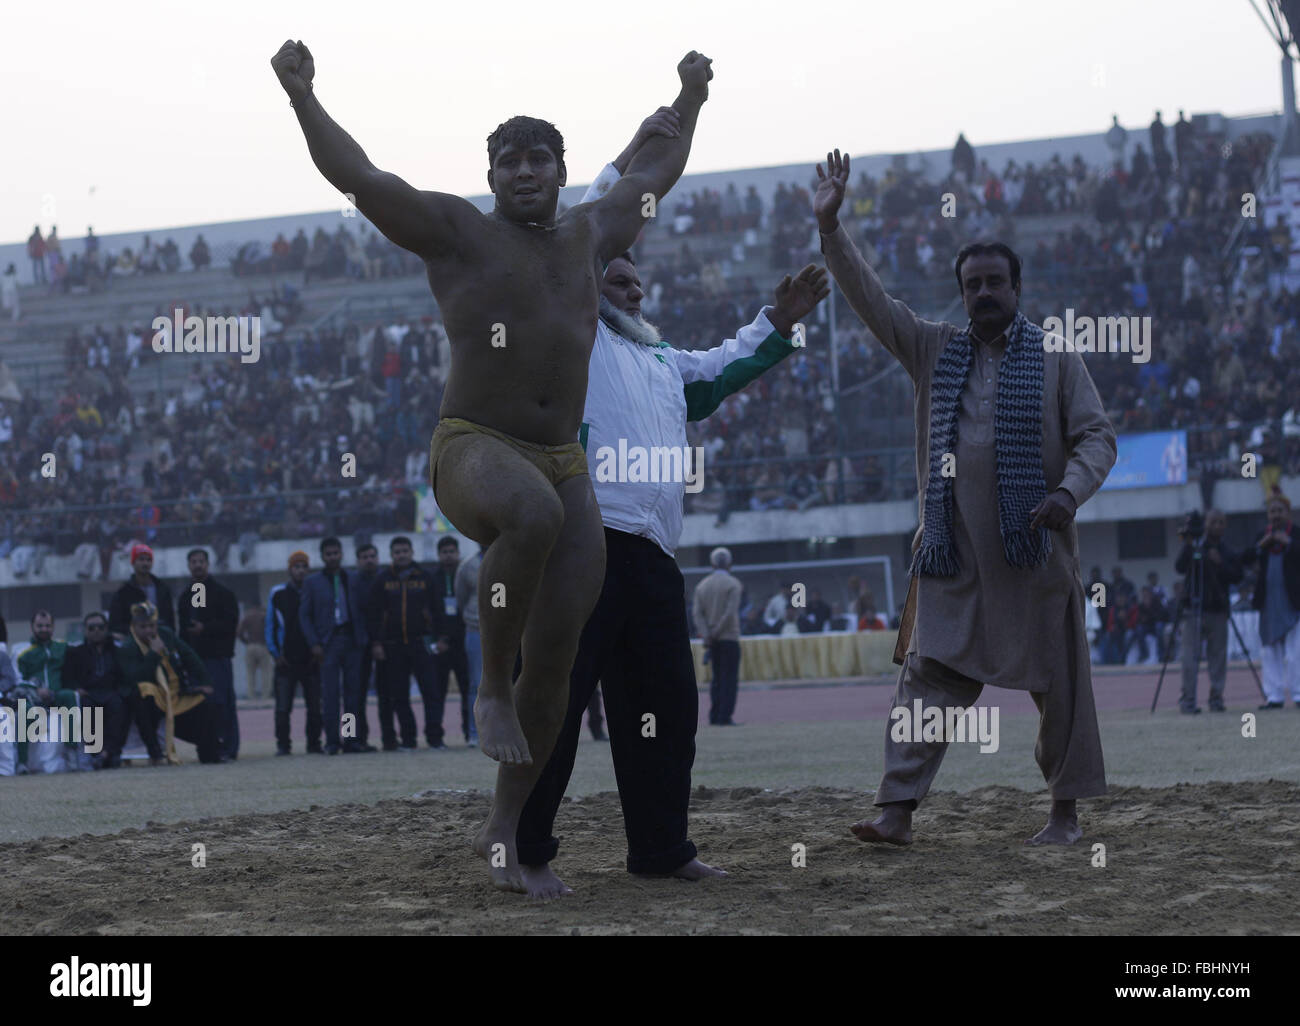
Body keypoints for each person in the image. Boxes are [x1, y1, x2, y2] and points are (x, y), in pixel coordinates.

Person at [271, 39, 713, 893]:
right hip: (473, 444)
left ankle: (507, 837)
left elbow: (657, 174)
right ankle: (486, 691)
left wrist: (689, 96)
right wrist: (303, 98)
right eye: (507, 159)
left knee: (554, 665)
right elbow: (360, 179)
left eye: (537, 158)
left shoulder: (590, 236)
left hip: (562, 461)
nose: (522, 171)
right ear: (491, 173)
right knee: (533, 521)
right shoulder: (458, 233)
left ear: (558, 169)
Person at [516, 122, 820, 894]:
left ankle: (659, 849)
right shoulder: (574, 329)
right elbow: (581, 229)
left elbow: (722, 367)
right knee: (555, 700)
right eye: (619, 281)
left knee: (666, 709)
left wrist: (777, 323)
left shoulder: (660, 362)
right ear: (589, 285)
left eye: (638, 284)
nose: (636, 289)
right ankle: (525, 852)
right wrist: (628, 154)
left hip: (653, 554)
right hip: (583, 543)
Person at [815, 149, 1115, 846]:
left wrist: (1068, 494)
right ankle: (895, 812)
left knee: (1062, 690)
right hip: (952, 562)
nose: (983, 292)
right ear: (960, 292)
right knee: (924, 681)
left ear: (1017, 289)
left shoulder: (1056, 357)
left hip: (1035, 558)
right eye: (973, 283)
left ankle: (1064, 816)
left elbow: (1098, 438)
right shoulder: (933, 349)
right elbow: (870, 300)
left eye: (995, 283)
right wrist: (832, 230)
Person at [115, 602, 221, 765]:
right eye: (143, 627)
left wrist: (204, 681)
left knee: (207, 703)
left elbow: (189, 656)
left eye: (152, 626)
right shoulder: (128, 646)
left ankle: (210, 753)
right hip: (152, 698)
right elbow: (135, 676)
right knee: (143, 692)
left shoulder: (166, 635)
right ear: (134, 627)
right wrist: (154, 654)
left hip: (175, 693)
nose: (149, 631)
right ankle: (155, 752)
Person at [298, 537, 370, 754]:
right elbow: (304, 616)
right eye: (328, 554)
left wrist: (363, 638)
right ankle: (331, 741)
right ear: (322, 556)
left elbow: (365, 609)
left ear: (341, 554)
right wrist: (314, 643)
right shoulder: (312, 582)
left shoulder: (354, 578)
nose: (332, 557)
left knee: (352, 695)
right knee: (330, 695)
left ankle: (351, 740)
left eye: (336, 553)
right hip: (327, 643)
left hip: (352, 641)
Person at [366, 536, 438, 750]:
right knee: (399, 696)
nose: (401, 555)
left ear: (412, 552)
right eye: (397, 552)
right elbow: (374, 615)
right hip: (393, 645)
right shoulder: (382, 580)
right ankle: (408, 739)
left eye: (405, 551)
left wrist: (441, 638)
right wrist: (376, 643)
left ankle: (435, 738)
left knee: (431, 693)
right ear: (391, 555)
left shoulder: (425, 577)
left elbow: (437, 610)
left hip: (421, 643)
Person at [1173, 509, 1242, 713]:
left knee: (1218, 658)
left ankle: (1216, 699)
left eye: (1221, 522)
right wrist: (1189, 543)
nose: (1217, 526)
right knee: (1189, 657)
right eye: (1213, 522)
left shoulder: (1227, 551)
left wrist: (1219, 563)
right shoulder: (1194, 546)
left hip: (1218, 611)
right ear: (1205, 524)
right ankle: (1188, 701)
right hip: (1193, 610)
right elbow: (1179, 567)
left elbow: (1237, 576)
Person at [177, 548, 241, 760]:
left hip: (217, 658)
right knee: (201, 706)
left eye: (201, 561)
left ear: (208, 564)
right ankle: (208, 747)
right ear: (188, 566)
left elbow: (230, 624)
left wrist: (205, 629)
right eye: (193, 561)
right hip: (195, 662)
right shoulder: (186, 597)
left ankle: (228, 747)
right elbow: (183, 632)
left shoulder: (223, 594)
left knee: (223, 703)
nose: (197, 565)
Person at [267, 551, 322, 754]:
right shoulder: (277, 593)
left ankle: (314, 744)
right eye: (296, 567)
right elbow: (270, 625)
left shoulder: (315, 590)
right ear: (290, 570)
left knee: (315, 707)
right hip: (286, 660)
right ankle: (283, 745)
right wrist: (275, 653)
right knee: (282, 709)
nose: (300, 571)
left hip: (311, 659)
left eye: (304, 567)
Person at [1252, 489, 1300, 709]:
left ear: (1288, 513)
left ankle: (1299, 695)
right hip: (1269, 602)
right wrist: (1261, 545)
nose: (1276, 515)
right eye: (1272, 512)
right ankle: (1274, 696)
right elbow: (1246, 557)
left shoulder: (1296, 534)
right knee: (1269, 651)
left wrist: (1288, 542)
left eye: (1280, 511)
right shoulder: (1262, 536)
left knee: (1295, 653)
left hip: (1293, 601)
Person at [62, 612, 128, 769]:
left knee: (120, 705)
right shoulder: (75, 652)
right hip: (88, 693)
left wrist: (120, 691)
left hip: (112, 692)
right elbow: (67, 677)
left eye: (100, 627)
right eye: (91, 628)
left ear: (107, 629)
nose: (96, 631)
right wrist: (76, 689)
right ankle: (97, 754)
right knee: (87, 707)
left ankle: (109, 753)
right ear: (85, 630)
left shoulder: (116, 651)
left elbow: (124, 676)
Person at [428, 535, 472, 746]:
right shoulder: (431, 578)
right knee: (437, 692)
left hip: (463, 641)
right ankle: (435, 737)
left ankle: (469, 732)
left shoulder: (466, 573)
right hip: (440, 644)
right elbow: (428, 612)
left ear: (458, 552)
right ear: (438, 555)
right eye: (444, 552)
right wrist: (436, 640)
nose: (448, 555)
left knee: (468, 688)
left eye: (451, 551)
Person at [694, 548, 745, 729]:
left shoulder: (702, 585)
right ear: (730, 564)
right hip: (728, 637)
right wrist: (717, 631)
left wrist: (707, 634)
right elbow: (730, 613)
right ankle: (725, 716)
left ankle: (714, 715)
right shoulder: (734, 584)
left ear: (712, 564)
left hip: (711, 640)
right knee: (729, 679)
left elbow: (697, 614)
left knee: (716, 679)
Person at [108, 545, 175, 638]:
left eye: (148, 560)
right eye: (141, 559)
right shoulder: (123, 593)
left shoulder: (162, 589)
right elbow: (116, 624)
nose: (145, 563)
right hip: (134, 642)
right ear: (133, 562)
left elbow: (170, 620)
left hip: (160, 639)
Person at [454, 545, 483, 748]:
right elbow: (461, 598)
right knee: (476, 683)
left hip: (508, 631)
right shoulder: (467, 566)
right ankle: (475, 733)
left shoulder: (509, 556)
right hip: (476, 630)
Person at [353, 542, 382, 748]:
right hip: (356, 646)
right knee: (354, 696)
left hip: (384, 645)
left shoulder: (385, 580)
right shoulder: (351, 583)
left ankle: (390, 738)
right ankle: (354, 738)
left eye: (372, 556)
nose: (369, 559)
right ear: (358, 560)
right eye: (365, 556)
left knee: (388, 695)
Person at [238, 602, 272, 700]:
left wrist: (247, 642)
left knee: (250, 673)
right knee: (266, 672)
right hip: (263, 645)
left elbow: (239, 632)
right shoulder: (265, 617)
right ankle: (265, 696)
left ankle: (251, 696)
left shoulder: (248, 617)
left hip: (251, 646)